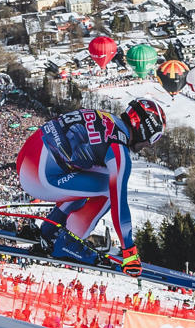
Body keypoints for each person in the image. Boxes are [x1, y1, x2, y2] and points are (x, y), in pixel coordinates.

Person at [16, 99, 166, 277]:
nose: (148, 145)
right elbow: (119, 203)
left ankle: (49, 231)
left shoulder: (106, 118)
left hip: (27, 159)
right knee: (109, 188)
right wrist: (129, 251)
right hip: (39, 176)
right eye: (153, 138)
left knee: (94, 173)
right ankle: (70, 241)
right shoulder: (119, 149)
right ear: (143, 129)